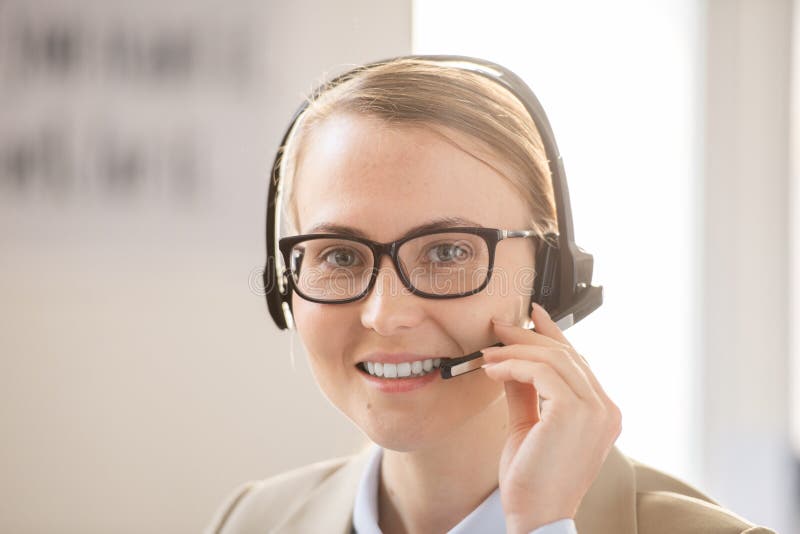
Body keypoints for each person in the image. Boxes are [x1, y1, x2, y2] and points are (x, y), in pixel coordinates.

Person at [205, 56, 776, 534]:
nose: (386, 315)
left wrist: (545, 527)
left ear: (548, 278)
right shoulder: (250, 520)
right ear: (287, 286)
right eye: (340, 256)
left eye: (448, 252)